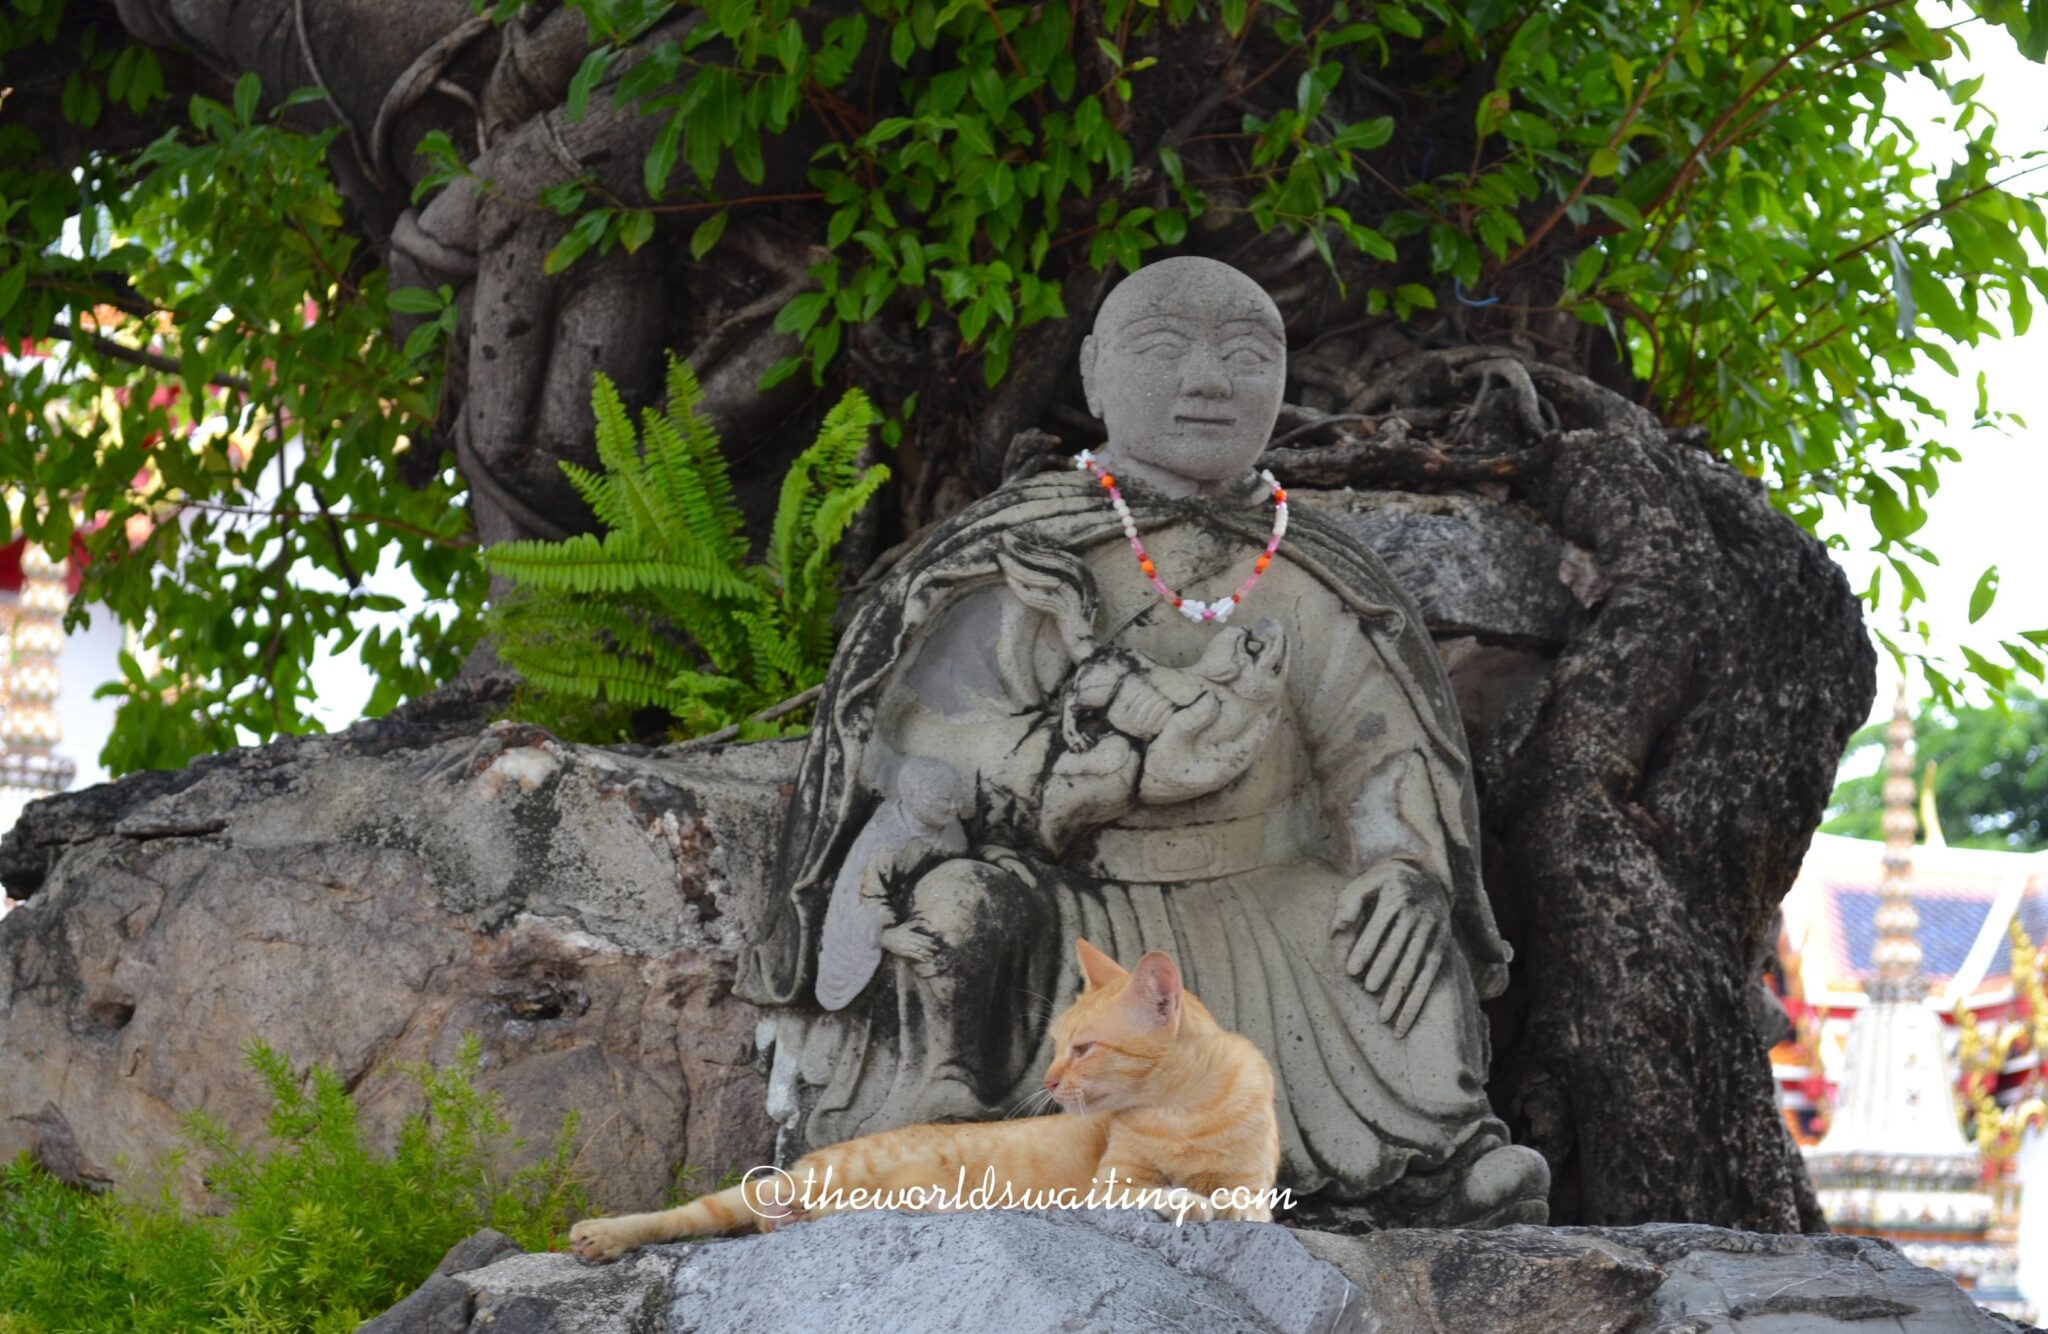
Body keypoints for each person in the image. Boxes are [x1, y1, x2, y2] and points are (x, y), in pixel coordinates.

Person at [739, 256, 1548, 1226]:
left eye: (1245, 355)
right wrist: (1073, 777)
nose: (1208, 381)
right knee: (956, 913)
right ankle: (954, 1137)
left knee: (1396, 938)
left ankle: (1435, 1160)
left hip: (1273, 902)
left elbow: (1379, 755)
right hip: (1071, 915)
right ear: (1091, 373)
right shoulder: (1025, 551)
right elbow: (928, 744)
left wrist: (1402, 866)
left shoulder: (1314, 572)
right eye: (1164, 349)